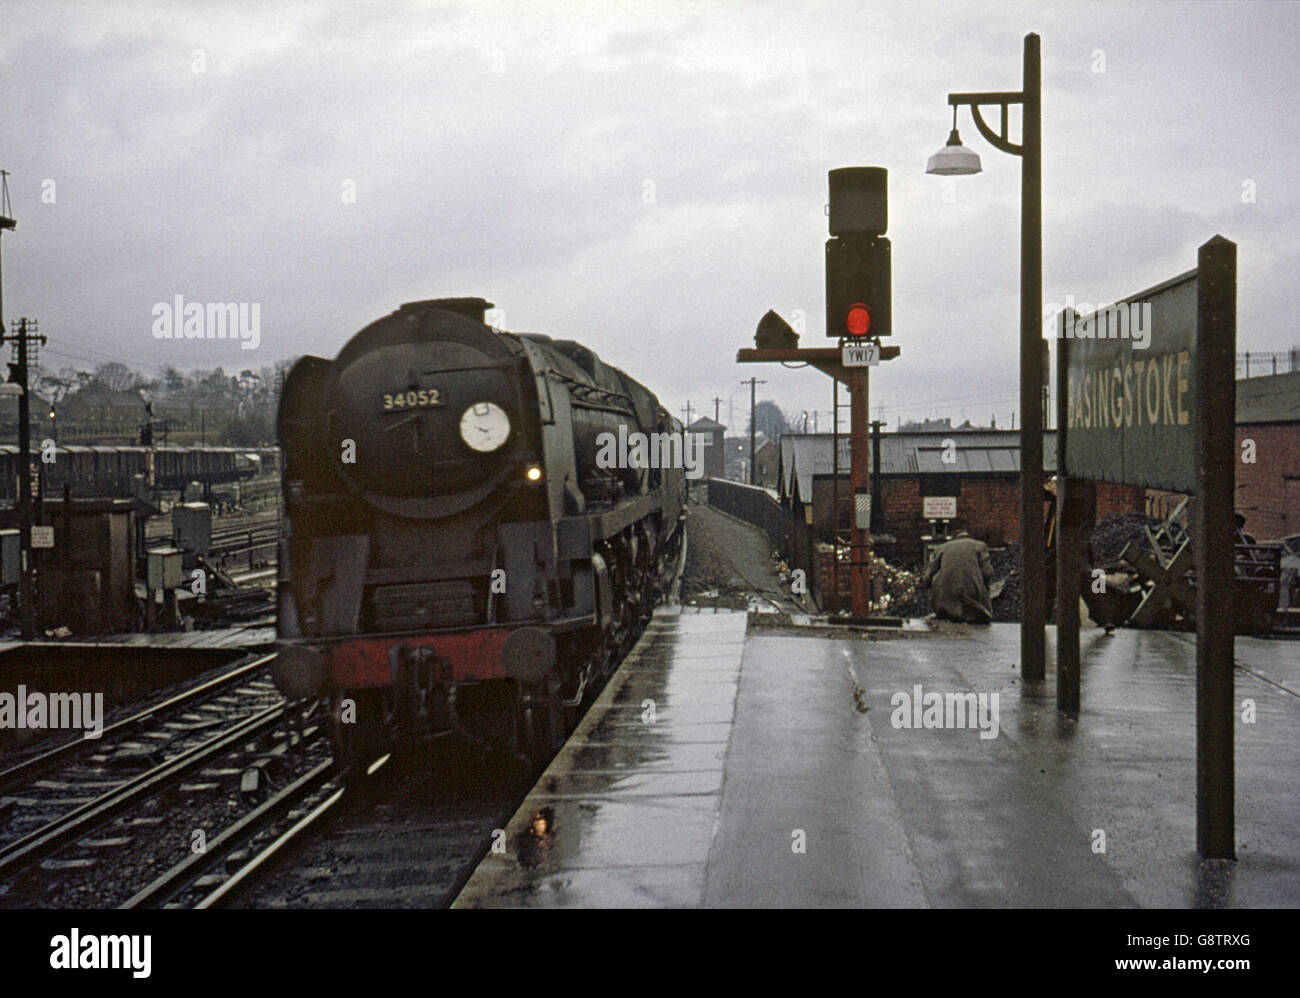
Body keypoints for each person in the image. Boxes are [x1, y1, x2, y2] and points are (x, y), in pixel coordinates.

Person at [924, 530, 995, 623]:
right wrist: (985, 586)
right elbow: (988, 573)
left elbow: (928, 577)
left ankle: (948, 612)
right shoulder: (979, 546)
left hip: (944, 595)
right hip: (971, 595)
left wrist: (930, 588)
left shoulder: (941, 548)